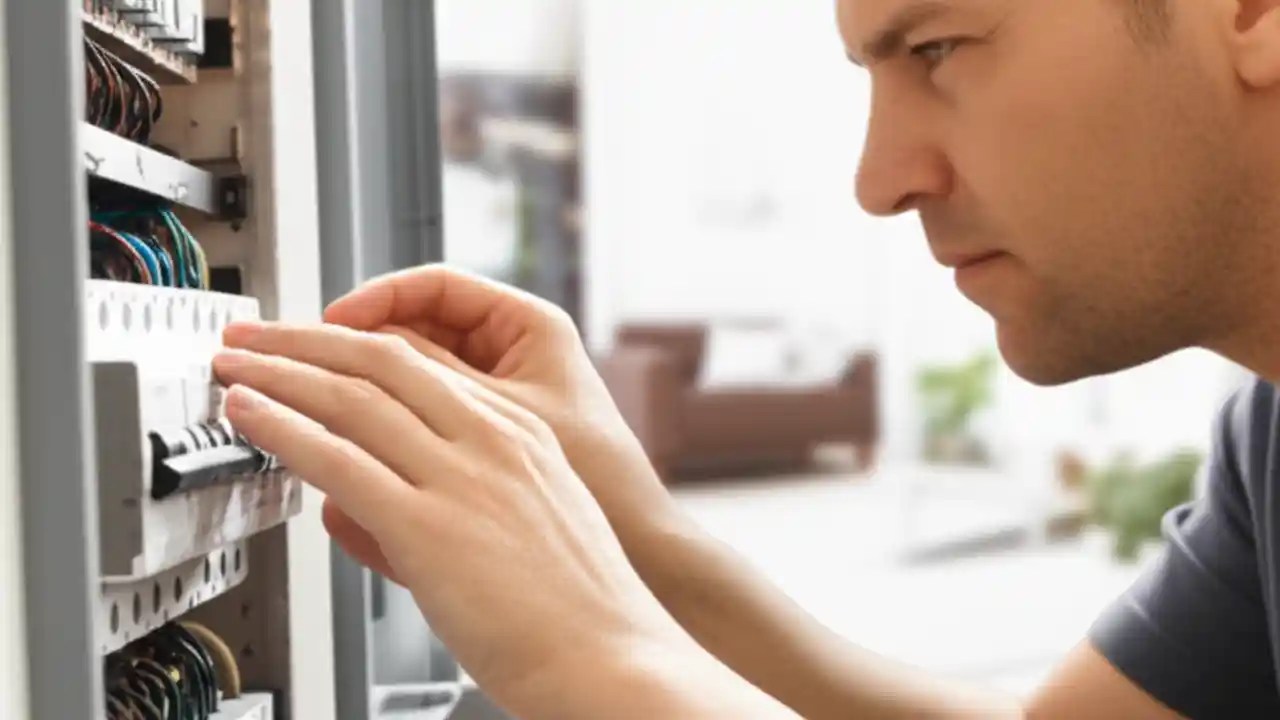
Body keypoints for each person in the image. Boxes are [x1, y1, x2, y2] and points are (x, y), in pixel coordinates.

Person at [210, 0, 1280, 717]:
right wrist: (640, 547)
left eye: (936, 49)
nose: (879, 178)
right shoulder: (1266, 431)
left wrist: (584, 657)